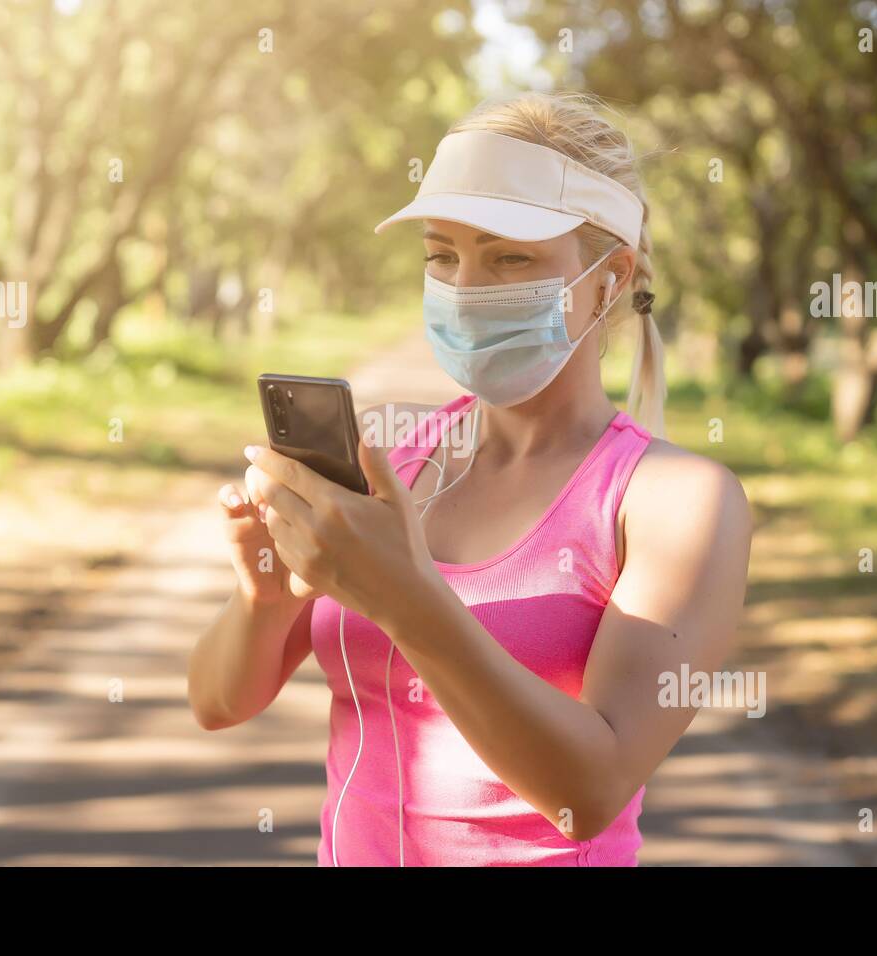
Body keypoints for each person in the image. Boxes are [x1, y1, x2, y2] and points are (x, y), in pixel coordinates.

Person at [188, 91, 752, 866]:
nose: (465, 285)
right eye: (441, 254)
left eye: (510, 255)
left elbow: (585, 796)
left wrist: (405, 598)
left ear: (610, 277)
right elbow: (217, 703)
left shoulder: (675, 503)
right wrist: (264, 599)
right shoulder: (390, 459)